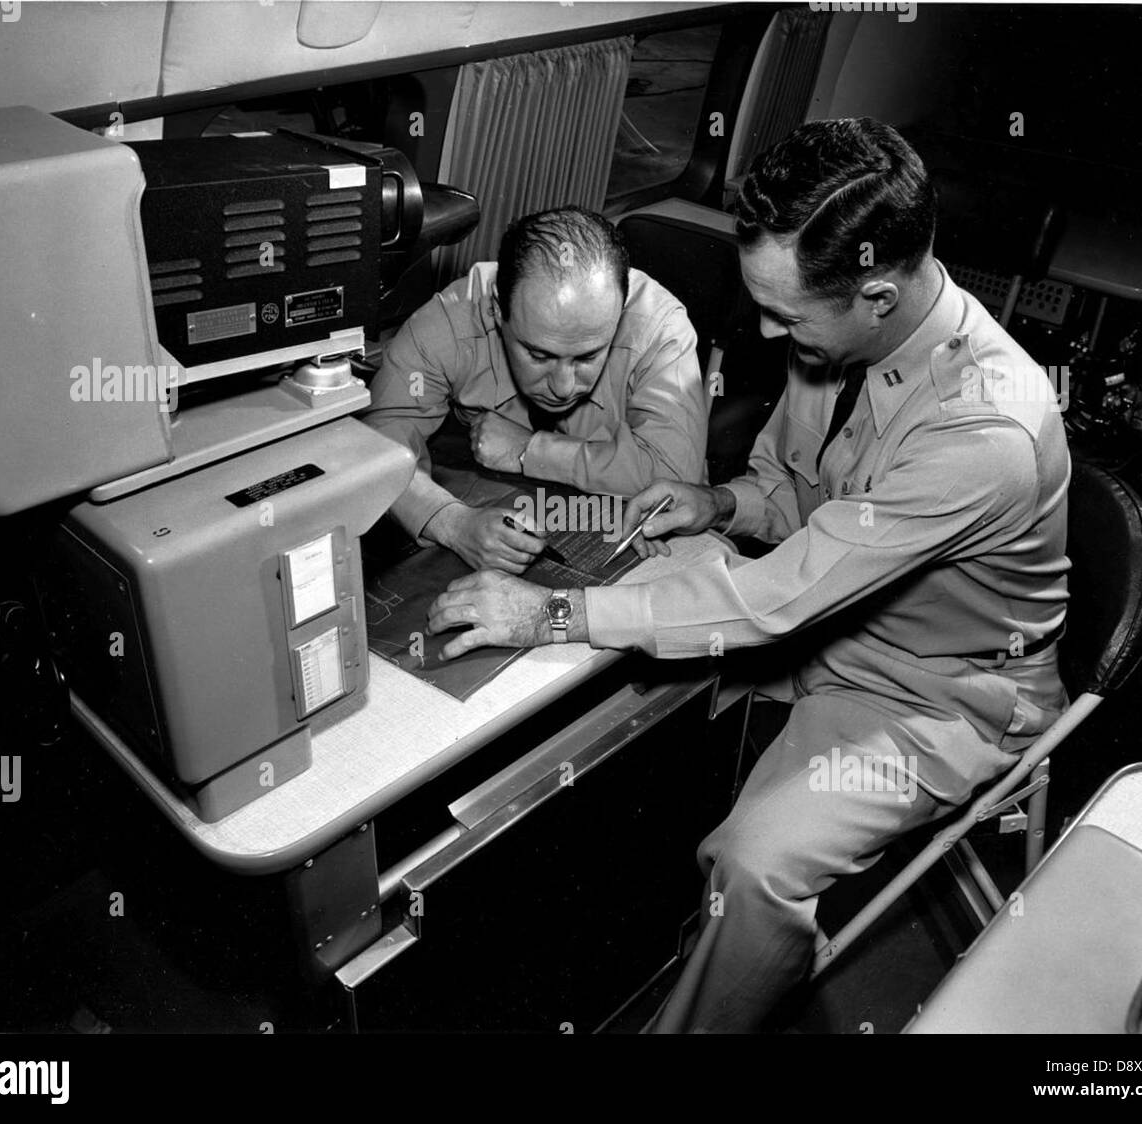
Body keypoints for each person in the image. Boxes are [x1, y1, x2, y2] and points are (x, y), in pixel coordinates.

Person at [422, 118, 1071, 1032]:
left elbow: (776, 600)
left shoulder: (984, 433)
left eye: (787, 315)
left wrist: (553, 615)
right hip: (828, 619)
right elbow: (789, 491)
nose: (766, 331)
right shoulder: (835, 342)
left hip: (933, 700)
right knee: (643, 594)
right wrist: (719, 505)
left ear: (877, 294)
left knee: (757, 863)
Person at [360, 206, 708, 573]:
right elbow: (379, 446)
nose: (563, 387)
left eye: (588, 356)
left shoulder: (659, 328)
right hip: (509, 503)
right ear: (497, 309)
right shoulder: (453, 320)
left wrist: (530, 451)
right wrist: (452, 523)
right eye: (539, 355)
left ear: (620, 312)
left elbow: (675, 478)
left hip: (635, 531)